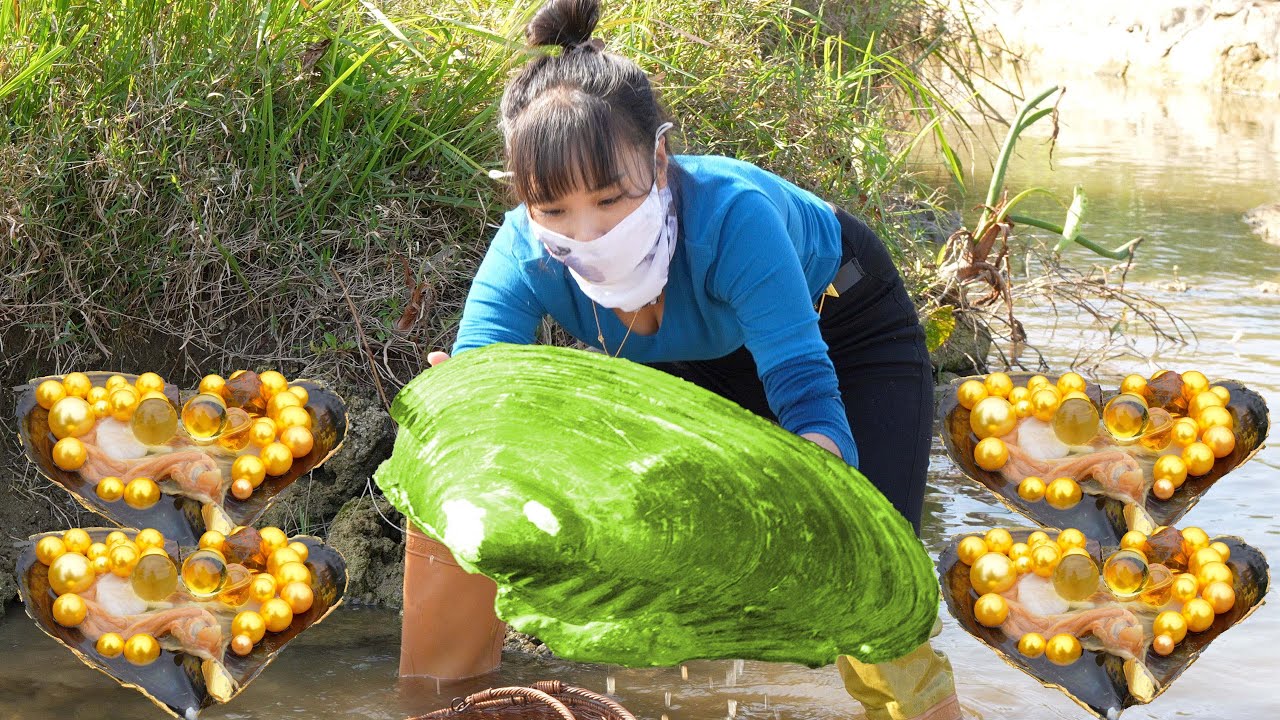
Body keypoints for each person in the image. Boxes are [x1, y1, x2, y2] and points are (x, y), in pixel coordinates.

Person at [399, 1, 959, 718]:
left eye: (609, 198)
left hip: (839, 330)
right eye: (556, 211)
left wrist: (819, 485)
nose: (589, 231)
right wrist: (459, 420)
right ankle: (443, 702)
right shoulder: (524, 255)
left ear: (660, 161)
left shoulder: (733, 218)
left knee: (869, 575)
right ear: (523, 200)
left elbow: (806, 390)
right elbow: (479, 391)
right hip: (686, 369)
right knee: (485, 490)